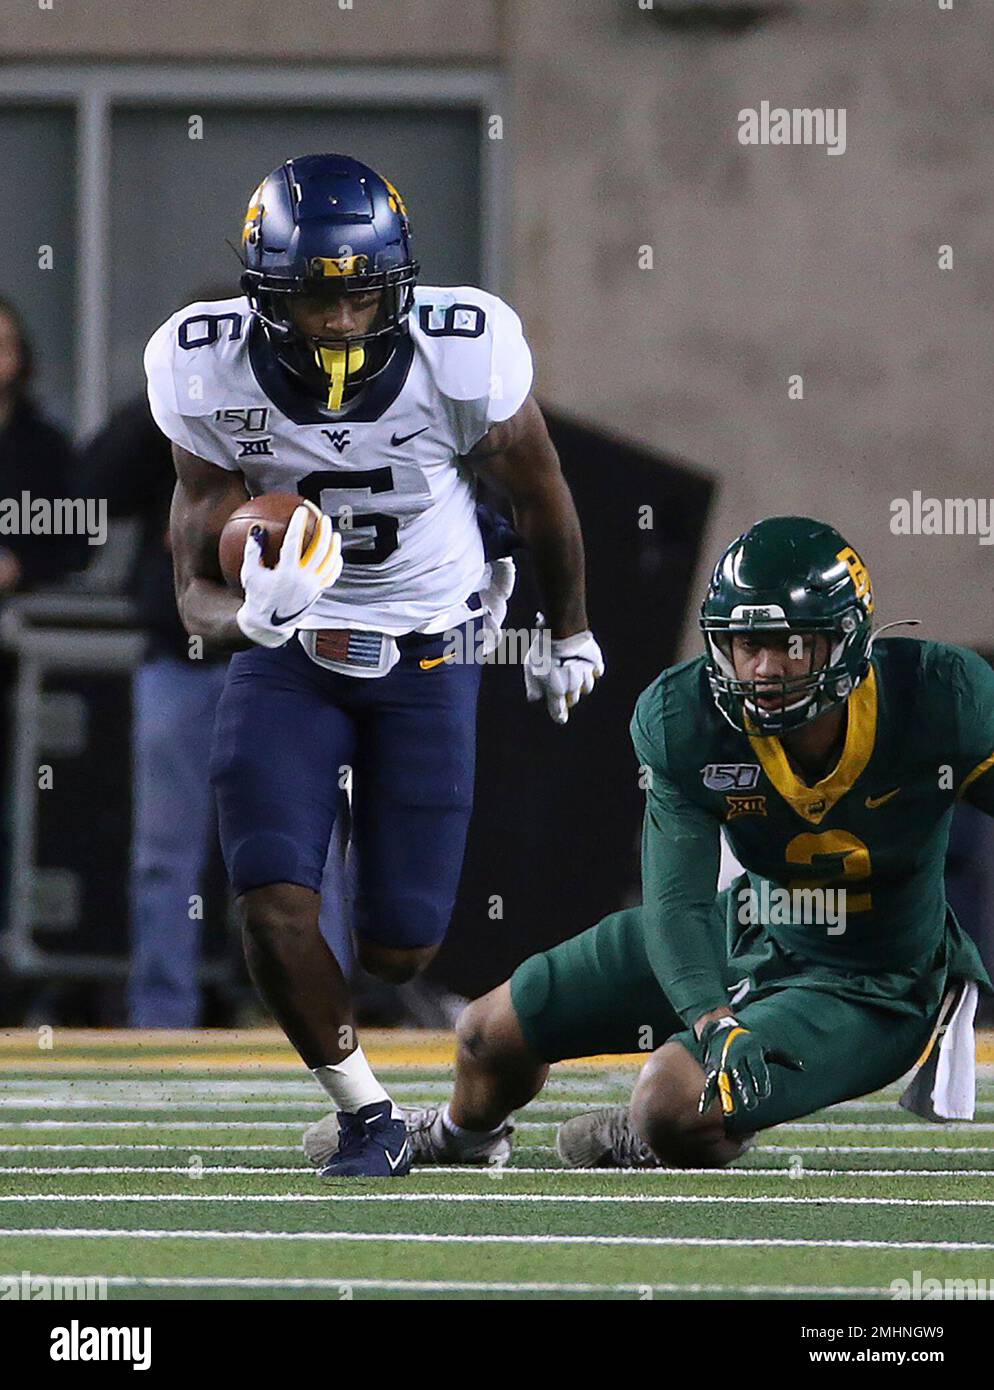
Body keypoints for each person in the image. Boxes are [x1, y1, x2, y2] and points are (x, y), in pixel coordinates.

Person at [144, 153, 603, 1177]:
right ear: (267, 291)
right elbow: (191, 589)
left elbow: (542, 491)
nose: (343, 318)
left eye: (361, 293)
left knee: (400, 947)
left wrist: (568, 627)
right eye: (316, 295)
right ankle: (367, 1113)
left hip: (427, 648)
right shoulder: (202, 365)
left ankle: (360, 872)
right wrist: (249, 615)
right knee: (270, 898)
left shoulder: (462, 349)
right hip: (295, 658)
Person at [310, 517, 992, 1170]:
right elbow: (677, 903)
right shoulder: (688, 718)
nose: (760, 669)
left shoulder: (940, 697)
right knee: (488, 1032)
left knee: (672, 1103)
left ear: (843, 642)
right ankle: (462, 1135)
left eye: (788, 645)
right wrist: (715, 1019)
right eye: (742, 644)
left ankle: (650, 1134)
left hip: (873, 985)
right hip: (747, 927)